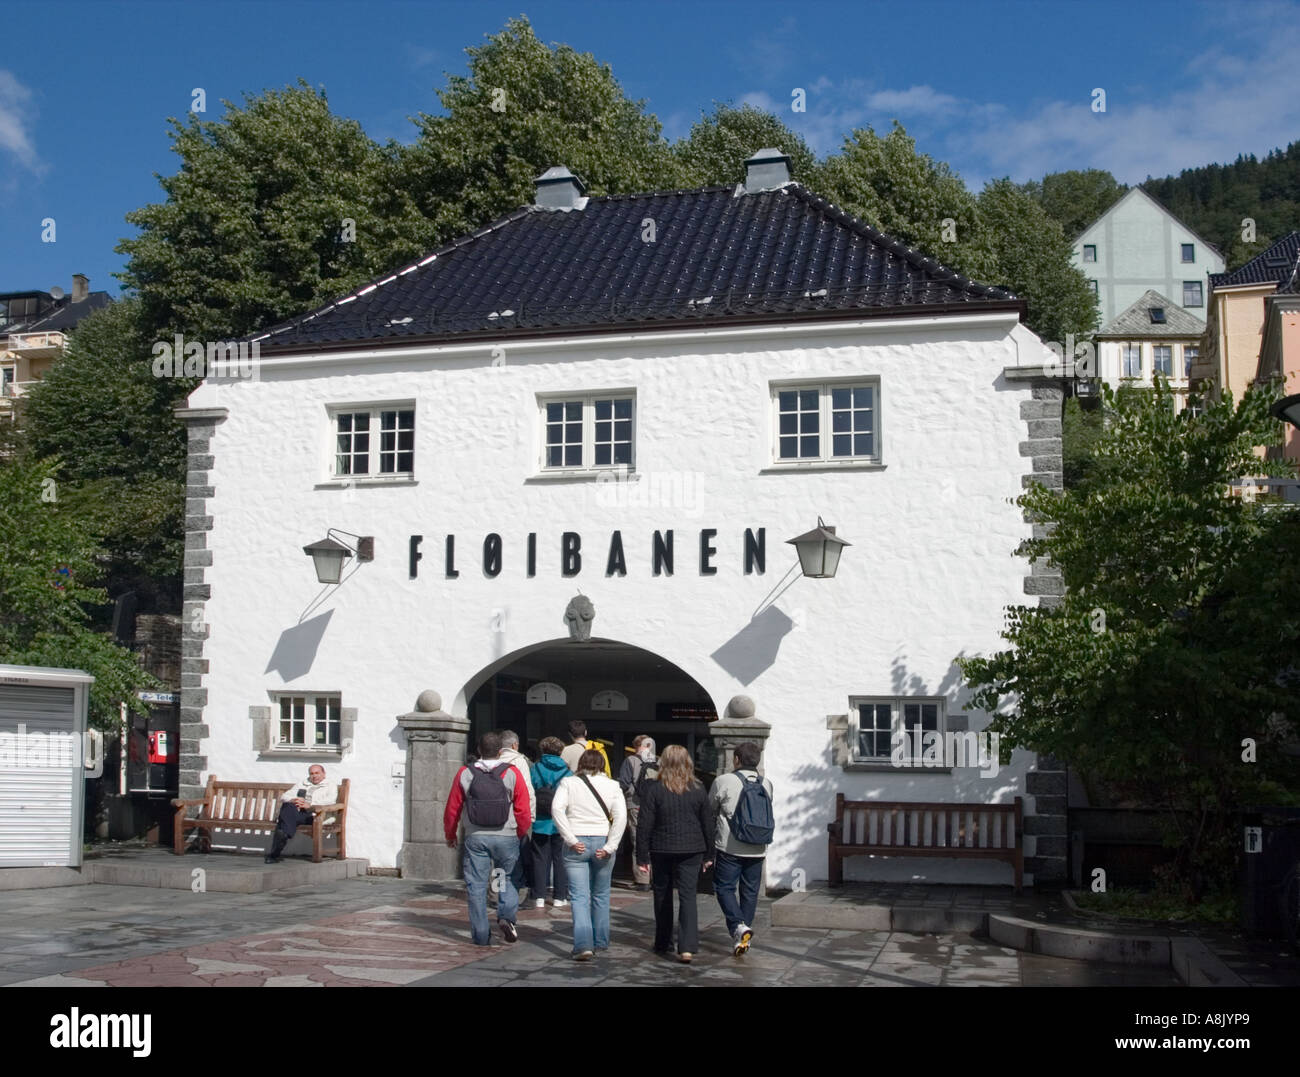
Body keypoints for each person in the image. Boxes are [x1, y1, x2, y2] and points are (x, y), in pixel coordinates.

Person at [443, 732, 532, 946]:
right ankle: (505, 916)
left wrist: (450, 833)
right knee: (505, 877)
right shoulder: (511, 772)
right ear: (500, 751)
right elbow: (523, 808)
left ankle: (481, 934)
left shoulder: (465, 773)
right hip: (505, 837)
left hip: (477, 838)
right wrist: (520, 831)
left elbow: (452, 807)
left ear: (479, 750)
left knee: (476, 885)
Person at [635, 744, 714, 963]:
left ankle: (663, 942)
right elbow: (708, 823)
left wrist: (642, 856)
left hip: (661, 847)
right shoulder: (698, 788)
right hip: (692, 848)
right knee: (688, 896)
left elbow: (644, 825)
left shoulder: (654, 789)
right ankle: (687, 946)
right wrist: (710, 854)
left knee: (662, 894)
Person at [552, 749, 626, 960]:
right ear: (602, 764)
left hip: (577, 842)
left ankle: (584, 944)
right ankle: (601, 941)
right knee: (601, 894)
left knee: (579, 897)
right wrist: (611, 845)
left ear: (581, 764)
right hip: (602, 841)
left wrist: (571, 839)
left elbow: (557, 809)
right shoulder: (613, 785)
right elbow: (620, 817)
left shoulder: (569, 783)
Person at [708, 742, 774, 956]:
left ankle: (738, 926)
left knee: (724, 888)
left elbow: (711, 808)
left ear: (736, 759)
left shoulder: (723, 781)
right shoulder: (767, 784)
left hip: (730, 846)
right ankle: (743, 939)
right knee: (750, 892)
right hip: (758, 847)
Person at [265, 764, 339, 863]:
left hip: (314, 816)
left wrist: (310, 805)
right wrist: (294, 799)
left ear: (323, 774)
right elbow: (284, 796)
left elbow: (331, 800)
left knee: (283, 825)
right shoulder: (303, 783)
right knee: (288, 806)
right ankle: (284, 834)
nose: (314, 776)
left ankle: (274, 854)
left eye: (317, 773)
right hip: (298, 813)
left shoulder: (330, 785)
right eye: (311, 773)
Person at [529, 736, 572, 908]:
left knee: (539, 858)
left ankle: (539, 895)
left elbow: (530, 792)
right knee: (560, 858)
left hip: (540, 820)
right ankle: (560, 896)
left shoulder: (535, 768)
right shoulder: (568, 772)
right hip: (560, 822)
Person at [497, 729, 537, 899]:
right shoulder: (519, 761)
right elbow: (527, 791)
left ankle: (496, 892)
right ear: (514, 745)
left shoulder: (491, 760)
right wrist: (531, 816)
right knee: (517, 857)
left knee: (497, 860)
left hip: (493, 818)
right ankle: (514, 892)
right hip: (515, 817)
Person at [618, 735, 657, 891]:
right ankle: (654, 876)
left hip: (636, 805)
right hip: (654, 807)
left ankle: (642, 879)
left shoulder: (630, 761)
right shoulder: (658, 762)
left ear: (636, 746)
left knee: (638, 840)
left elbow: (624, 784)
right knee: (653, 841)